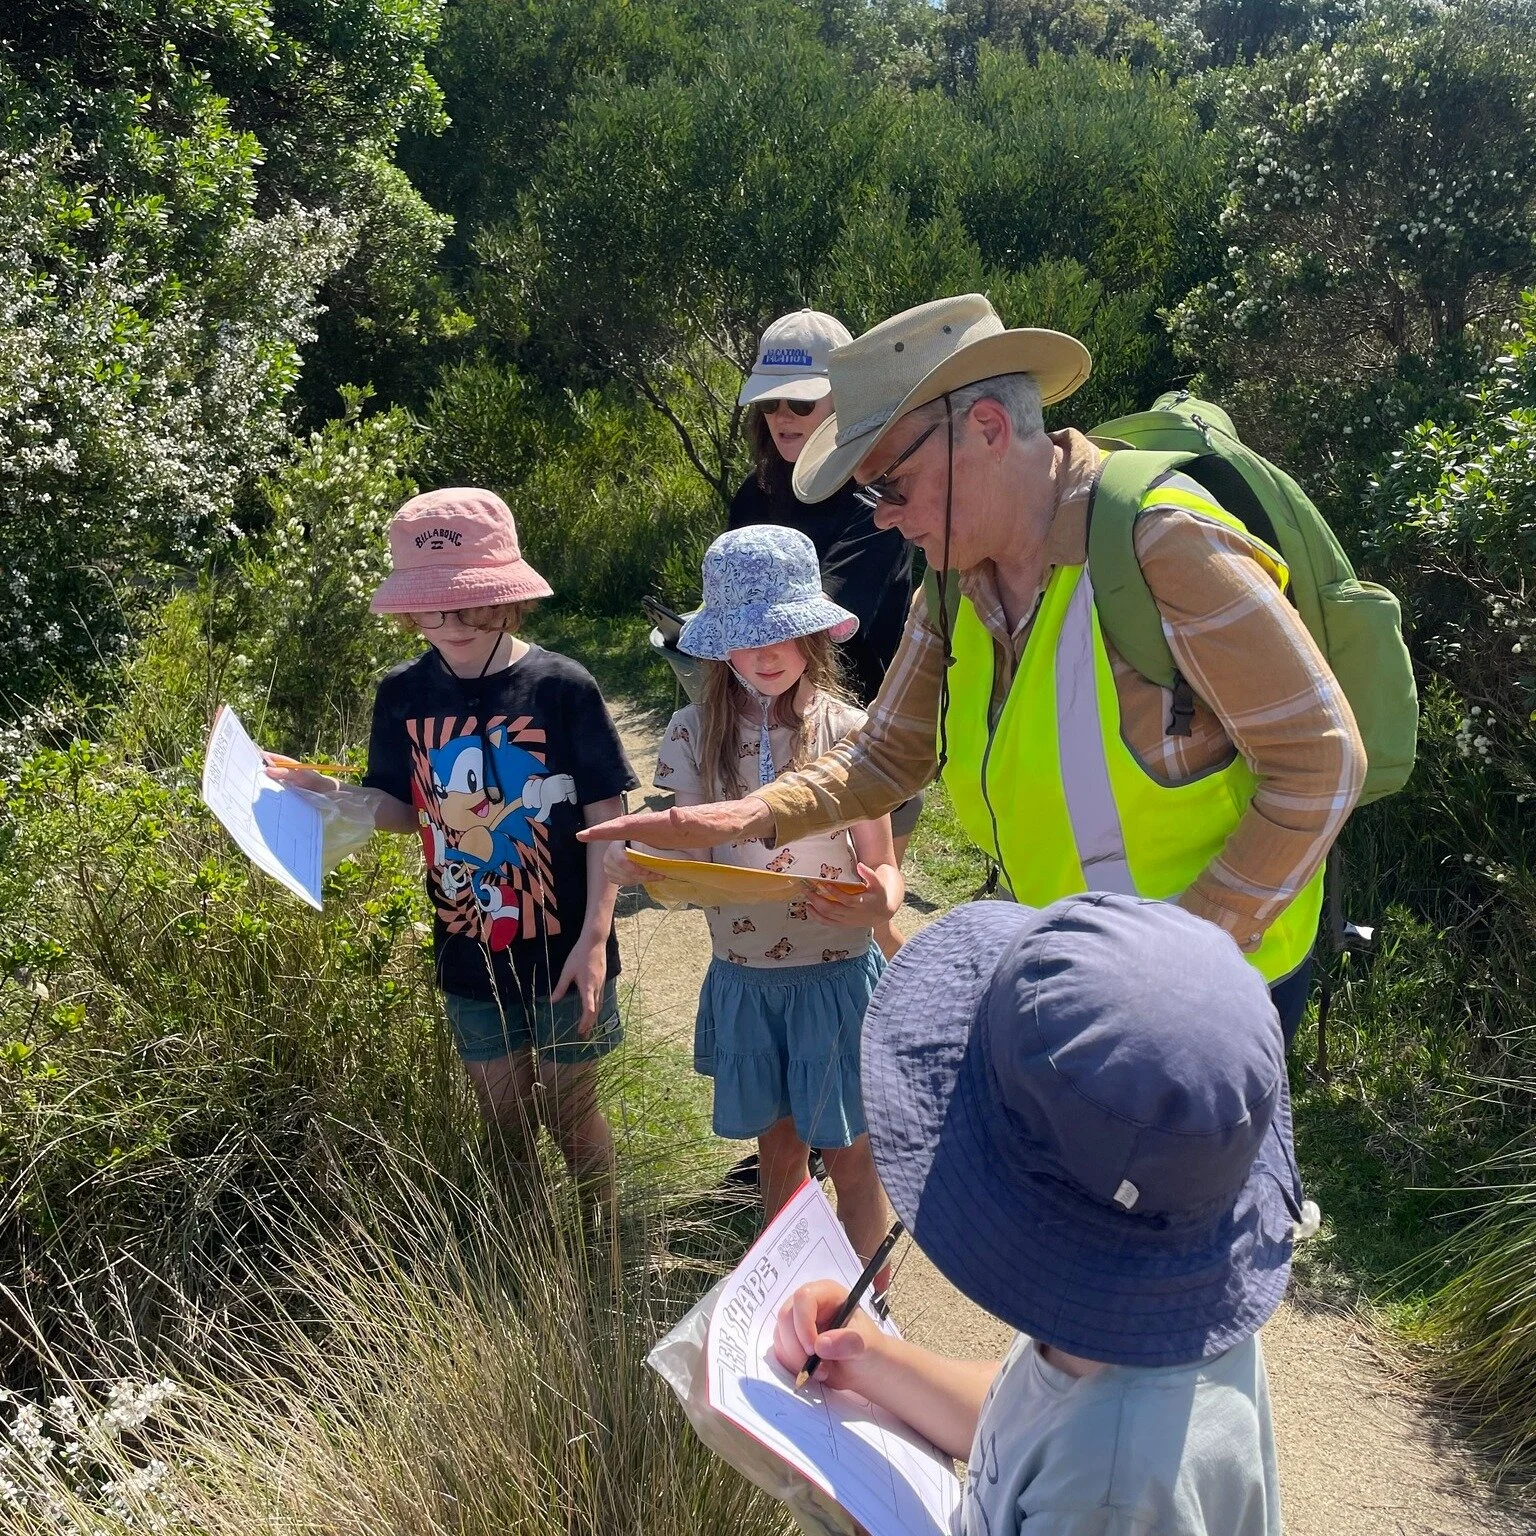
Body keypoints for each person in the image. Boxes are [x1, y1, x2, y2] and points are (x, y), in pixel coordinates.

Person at [584, 294, 1368, 1045]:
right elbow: (888, 754)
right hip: (1081, 965)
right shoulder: (953, 581)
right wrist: (734, 817)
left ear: (987, 427)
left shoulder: (1166, 545)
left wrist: (1186, 956)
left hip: (1218, 980)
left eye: (891, 484)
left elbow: (1320, 761)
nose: (883, 516)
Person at [774, 892, 1315, 1536]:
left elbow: (1081, 1452)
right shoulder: (1143, 1310)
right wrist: (875, 1361)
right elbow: (1022, 1420)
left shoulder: (1109, 1492)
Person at [270, 488, 637, 1201]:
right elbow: (403, 810)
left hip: (566, 944)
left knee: (570, 1114)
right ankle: (529, 1261)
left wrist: (596, 936)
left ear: (506, 595)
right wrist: (324, 793)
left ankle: (609, 1253)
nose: (449, 623)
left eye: (468, 604)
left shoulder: (563, 687)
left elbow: (607, 813)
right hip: (465, 943)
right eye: (430, 607)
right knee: (502, 1123)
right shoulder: (402, 694)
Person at [607, 524, 903, 1271]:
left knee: (854, 1159)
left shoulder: (848, 731)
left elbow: (885, 867)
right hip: (745, 978)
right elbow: (679, 845)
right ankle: (791, 1291)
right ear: (718, 646)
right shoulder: (691, 730)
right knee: (778, 1159)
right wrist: (636, 860)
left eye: (784, 634)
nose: (767, 654)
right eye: (747, 637)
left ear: (812, 635)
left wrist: (878, 903)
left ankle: (869, 1306)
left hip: (835, 976)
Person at [731, 309, 920, 956]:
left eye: (803, 401)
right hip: (769, 726)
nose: (783, 414)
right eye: (772, 401)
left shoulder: (877, 504)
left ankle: (899, 1032)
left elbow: (822, 627)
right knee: (810, 916)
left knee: (863, 906)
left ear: (844, 401)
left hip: (863, 742)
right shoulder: (752, 496)